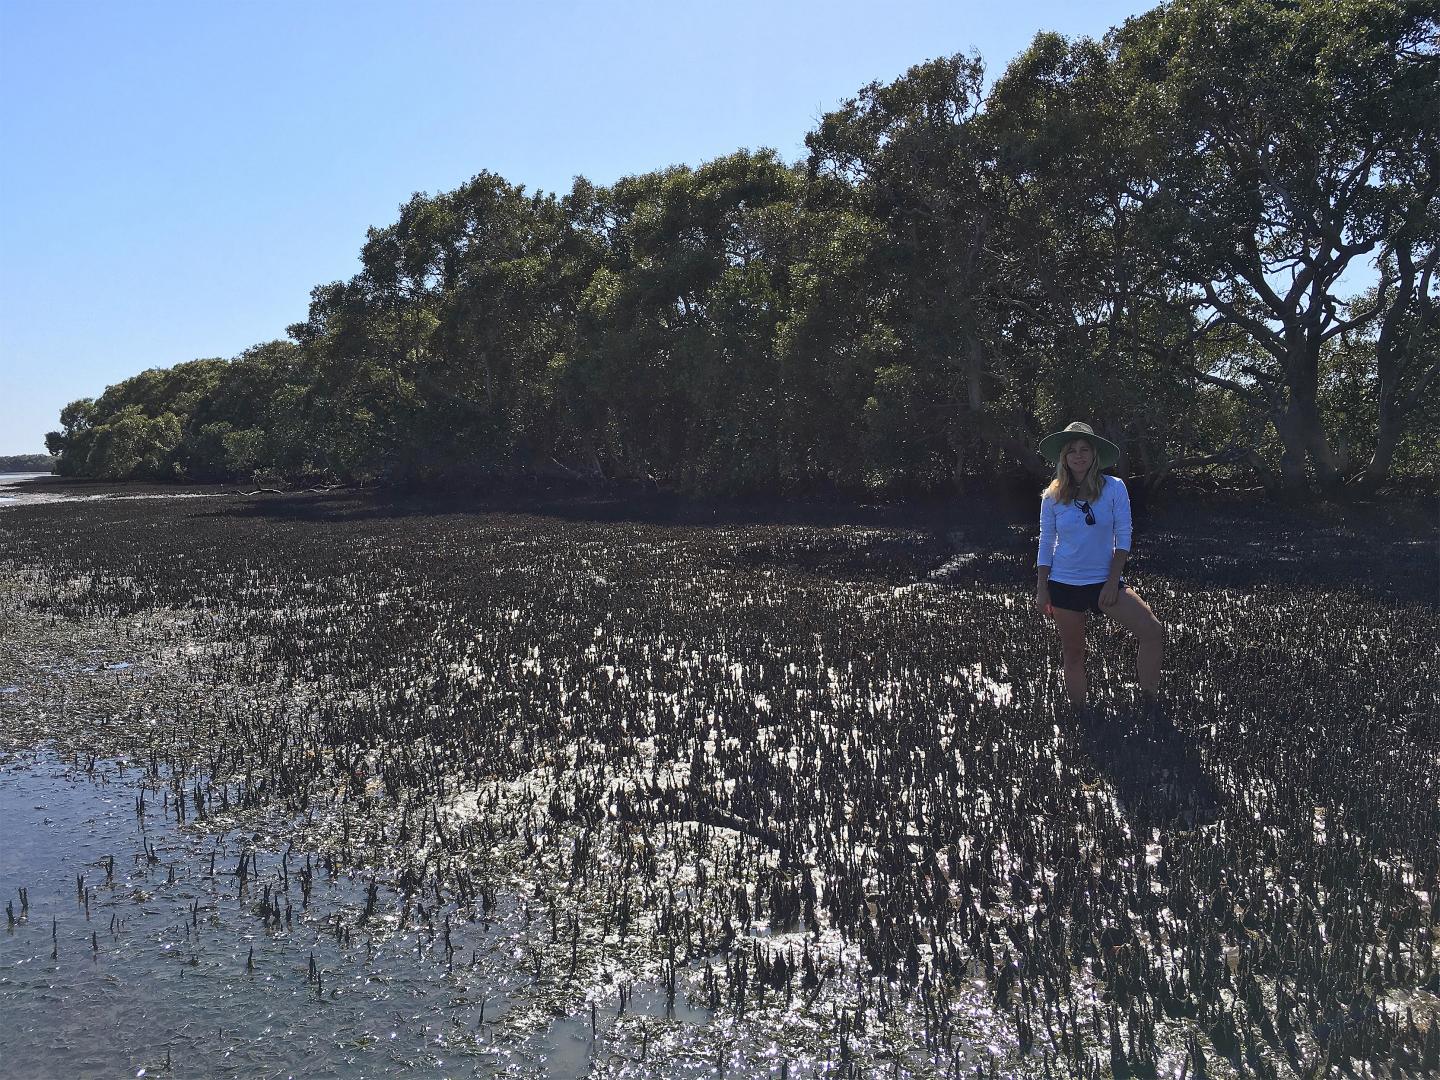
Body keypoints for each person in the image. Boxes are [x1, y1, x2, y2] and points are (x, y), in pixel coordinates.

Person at [1034, 422, 1164, 718]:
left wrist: (1112, 581)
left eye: (1084, 450)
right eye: (1072, 451)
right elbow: (1046, 541)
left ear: (1094, 455)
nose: (1078, 456)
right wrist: (1043, 587)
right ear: (1063, 458)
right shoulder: (1052, 496)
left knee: (1153, 632)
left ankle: (1150, 705)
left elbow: (1124, 536)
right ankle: (1082, 715)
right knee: (1074, 653)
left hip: (1104, 582)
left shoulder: (1114, 488)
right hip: (1064, 584)